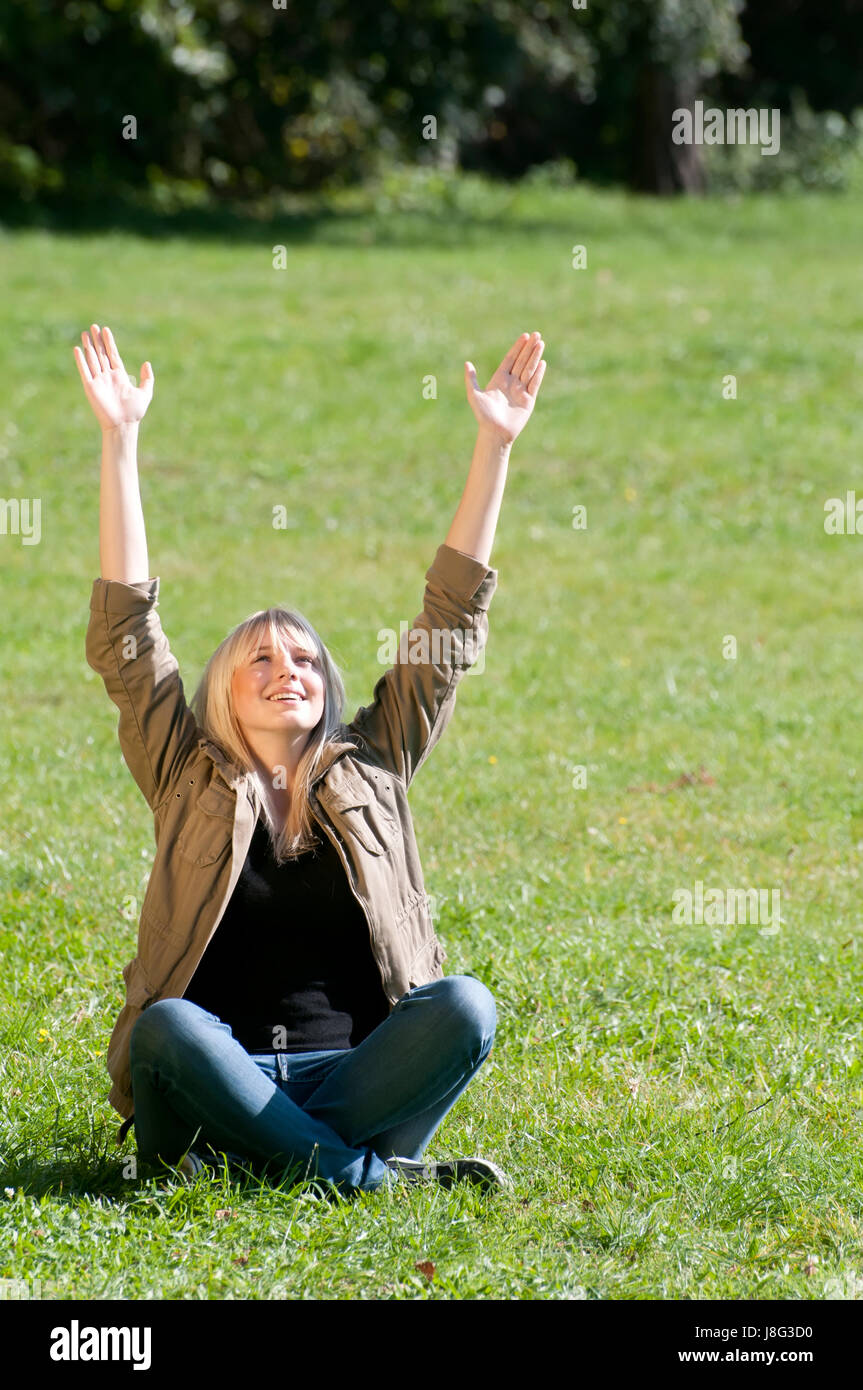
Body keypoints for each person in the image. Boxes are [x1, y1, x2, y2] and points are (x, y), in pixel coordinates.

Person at [75, 322, 547, 1195]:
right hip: (215, 1069)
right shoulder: (185, 766)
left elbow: (449, 621)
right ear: (220, 687)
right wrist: (120, 441)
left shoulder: (374, 757)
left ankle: (260, 1159)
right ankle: (363, 1177)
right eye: (258, 657)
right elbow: (128, 636)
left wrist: (493, 445)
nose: (283, 669)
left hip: (354, 1074)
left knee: (465, 1006)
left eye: (300, 658)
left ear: (327, 685)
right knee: (168, 1027)